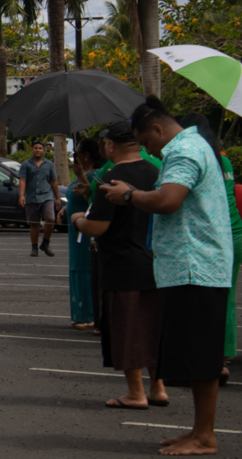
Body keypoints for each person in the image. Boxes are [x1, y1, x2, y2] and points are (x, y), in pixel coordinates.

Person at [103, 96, 231, 455]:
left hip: (196, 266)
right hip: (191, 266)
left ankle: (205, 436)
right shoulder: (192, 146)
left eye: (146, 143)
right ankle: (198, 431)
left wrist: (128, 195)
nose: (148, 152)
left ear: (157, 129)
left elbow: (168, 200)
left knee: (202, 357)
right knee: (194, 355)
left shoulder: (184, 150)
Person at [71, 121, 166, 410]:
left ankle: (135, 393)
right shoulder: (157, 173)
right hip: (158, 262)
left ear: (111, 145)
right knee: (152, 327)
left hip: (122, 264)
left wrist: (76, 219)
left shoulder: (110, 178)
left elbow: (97, 226)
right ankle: (158, 387)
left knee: (126, 328)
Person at [182, 113, 240, 386]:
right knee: (225, 297)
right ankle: (223, 357)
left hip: (216, 236)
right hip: (235, 231)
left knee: (210, 299)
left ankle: (215, 359)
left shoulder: (195, 157)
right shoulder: (223, 158)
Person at [57, 138, 100, 330]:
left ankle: (89, 315)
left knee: (85, 268)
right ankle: (79, 313)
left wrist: (82, 175)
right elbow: (74, 196)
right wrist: (65, 210)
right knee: (76, 268)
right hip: (74, 230)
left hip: (86, 231)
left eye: (78, 153)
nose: (75, 157)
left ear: (87, 155)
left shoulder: (95, 175)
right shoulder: (79, 174)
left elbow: (91, 198)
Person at [18, 140, 60, 257]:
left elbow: (53, 181)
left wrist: (57, 198)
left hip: (46, 196)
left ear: (44, 150)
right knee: (34, 224)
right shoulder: (26, 164)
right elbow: (22, 180)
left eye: (40, 148)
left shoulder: (49, 164)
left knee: (50, 219)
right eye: (35, 148)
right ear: (32, 149)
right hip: (31, 197)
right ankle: (34, 247)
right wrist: (21, 195)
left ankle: (46, 243)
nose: (38, 150)